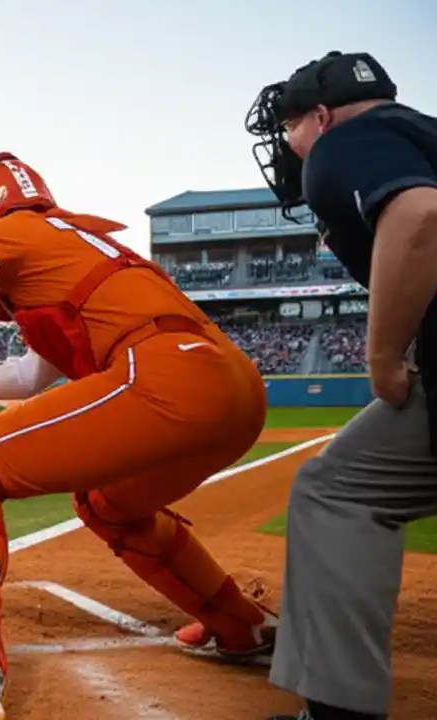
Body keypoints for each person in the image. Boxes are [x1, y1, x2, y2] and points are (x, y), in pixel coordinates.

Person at [0, 152, 275, 719]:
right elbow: (28, 375)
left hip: (164, 373)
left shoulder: (17, 231)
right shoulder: (76, 243)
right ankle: (243, 627)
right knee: (108, 503)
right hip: (236, 388)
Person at [244, 51, 437, 720]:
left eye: (291, 127)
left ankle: (339, 713)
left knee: (337, 493)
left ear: (320, 116)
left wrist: (381, 356)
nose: (289, 145)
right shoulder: (423, 131)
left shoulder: (341, 146)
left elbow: (418, 216)